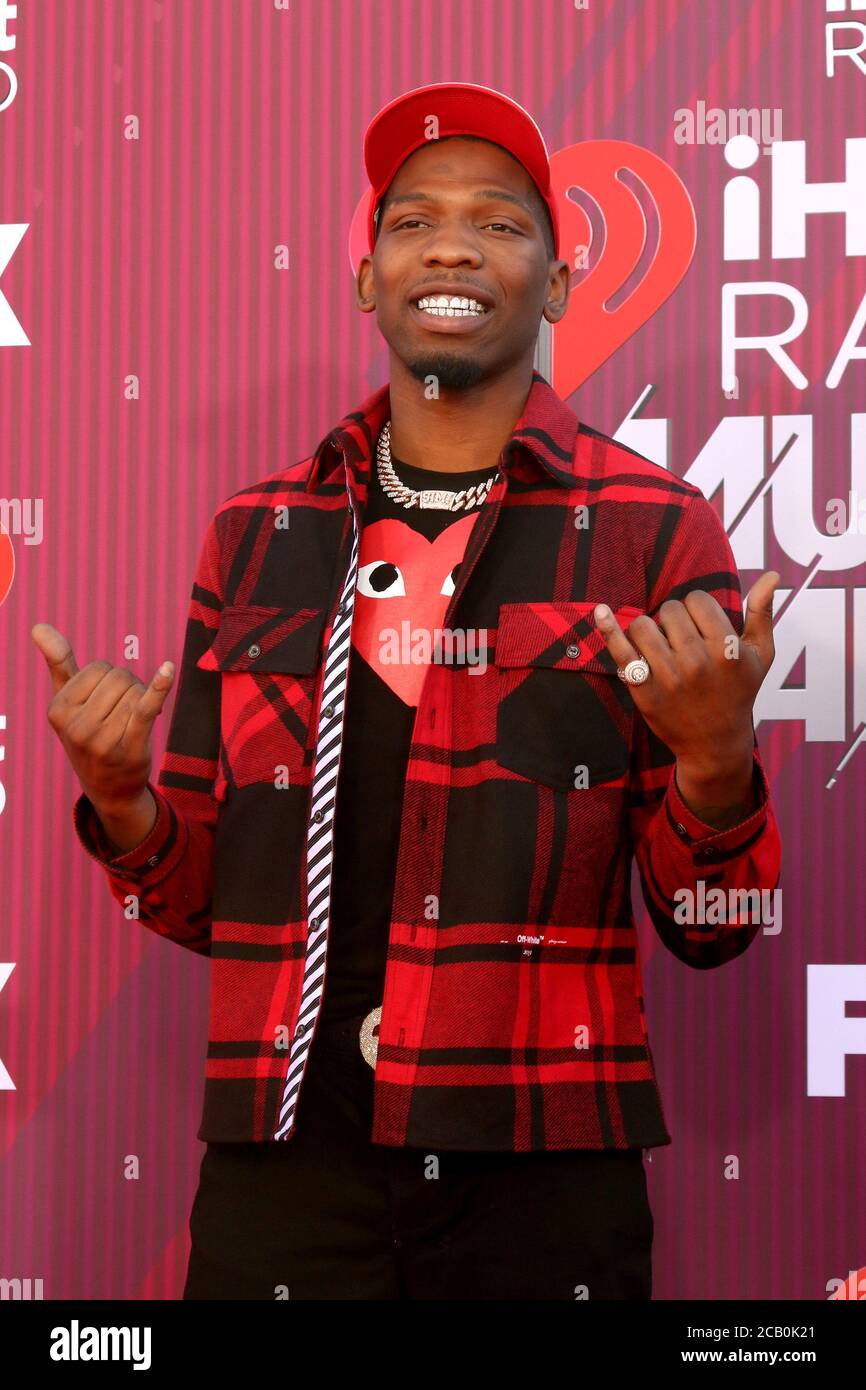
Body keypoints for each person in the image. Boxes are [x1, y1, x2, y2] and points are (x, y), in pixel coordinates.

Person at [34, 81, 782, 1301]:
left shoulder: (653, 527)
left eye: (498, 221)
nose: (449, 244)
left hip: (544, 1170)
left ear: (553, 283)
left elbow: (716, 930)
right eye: (411, 220)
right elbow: (193, 904)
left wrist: (712, 763)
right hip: (286, 1166)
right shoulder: (257, 528)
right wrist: (120, 803)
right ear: (365, 275)